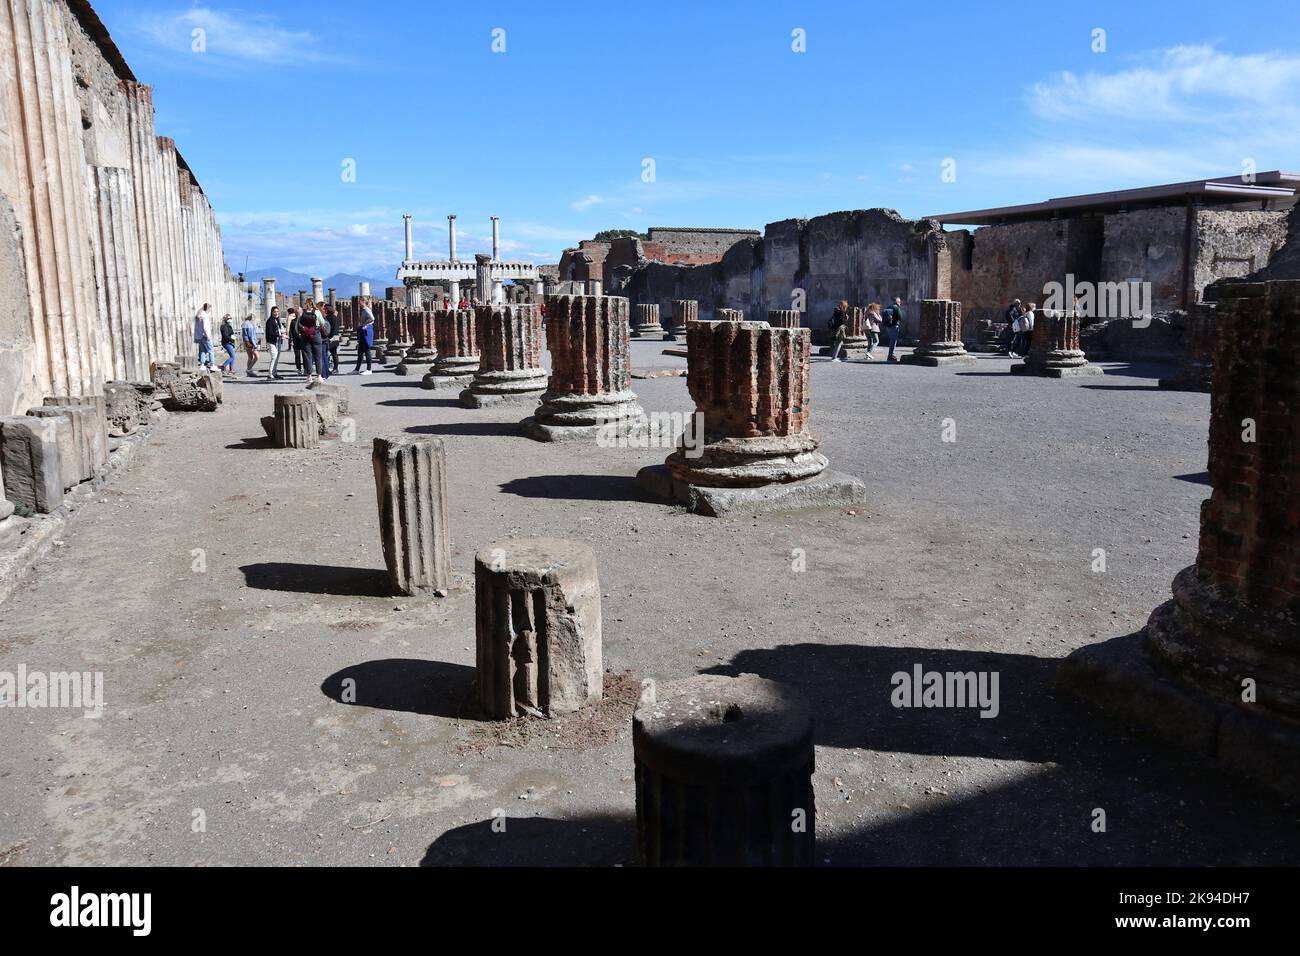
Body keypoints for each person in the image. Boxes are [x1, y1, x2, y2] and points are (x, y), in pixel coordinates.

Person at [298, 300, 322, 382]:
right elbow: (322, 322)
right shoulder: (317, 312)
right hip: (316, 335)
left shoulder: (301, 312)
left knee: (308, 356)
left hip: (305, 336)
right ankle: (319, 376)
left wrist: (301, 331)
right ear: (313, 304)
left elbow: (298, 324)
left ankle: (309, 376)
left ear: (306, 304)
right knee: (318, 356)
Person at [353, 297, 375, 375]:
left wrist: (366, 324)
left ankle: (369, 369)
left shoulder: (366, 310)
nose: (359, 303)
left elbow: (372, 319)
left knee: (367, 350)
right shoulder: (363, 310)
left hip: (366, 332)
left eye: (360, 301)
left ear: (363, 302)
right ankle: (356, 369)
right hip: (362, 331)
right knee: (360, 351)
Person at [883, 296, 905, 362]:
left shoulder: (889, 307)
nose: (900, 303)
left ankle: (891, 355)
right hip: (894, 326)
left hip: (888, 326)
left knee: (892, 341)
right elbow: (900, 317)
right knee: (893, 341)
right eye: (900, 302)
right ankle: (891, 355)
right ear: (897, 302)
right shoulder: (896, 308)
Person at [266, 306, 285, 379]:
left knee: (277, 357)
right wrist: (279, 335)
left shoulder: (277, 320)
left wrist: (282, 334)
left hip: (278, 341)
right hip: (272, 341)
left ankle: (274, 372)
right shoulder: (270, 321)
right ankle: (270, 374)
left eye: (277, 311)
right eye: (275, 311)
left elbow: (279, 329)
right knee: (274, 356)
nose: (276, 313)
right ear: (272, 312)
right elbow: (270, 332)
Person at [193, 304, 214, 369]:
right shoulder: (205, 315)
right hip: (205, 335)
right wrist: (208, 336)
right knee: (211, 350)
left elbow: (195, 327)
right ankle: (212, 364)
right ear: (208, 309)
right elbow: (205, 327)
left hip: (199, 336)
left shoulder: (198, 315)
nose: (210, 311)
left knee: (202, 350)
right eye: (210, 309)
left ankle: (202, 364)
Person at [323, 304, 340, 377]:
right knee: (328, 353)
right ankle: (328, 368)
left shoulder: (333, 318)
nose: (324, 310)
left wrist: (330, 337)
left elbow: (334, 329)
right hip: (328, 337)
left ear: (328, 310)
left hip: (333, 337)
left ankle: (335, 368)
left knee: (333, 353)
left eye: (325, 309)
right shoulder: (327, 317)